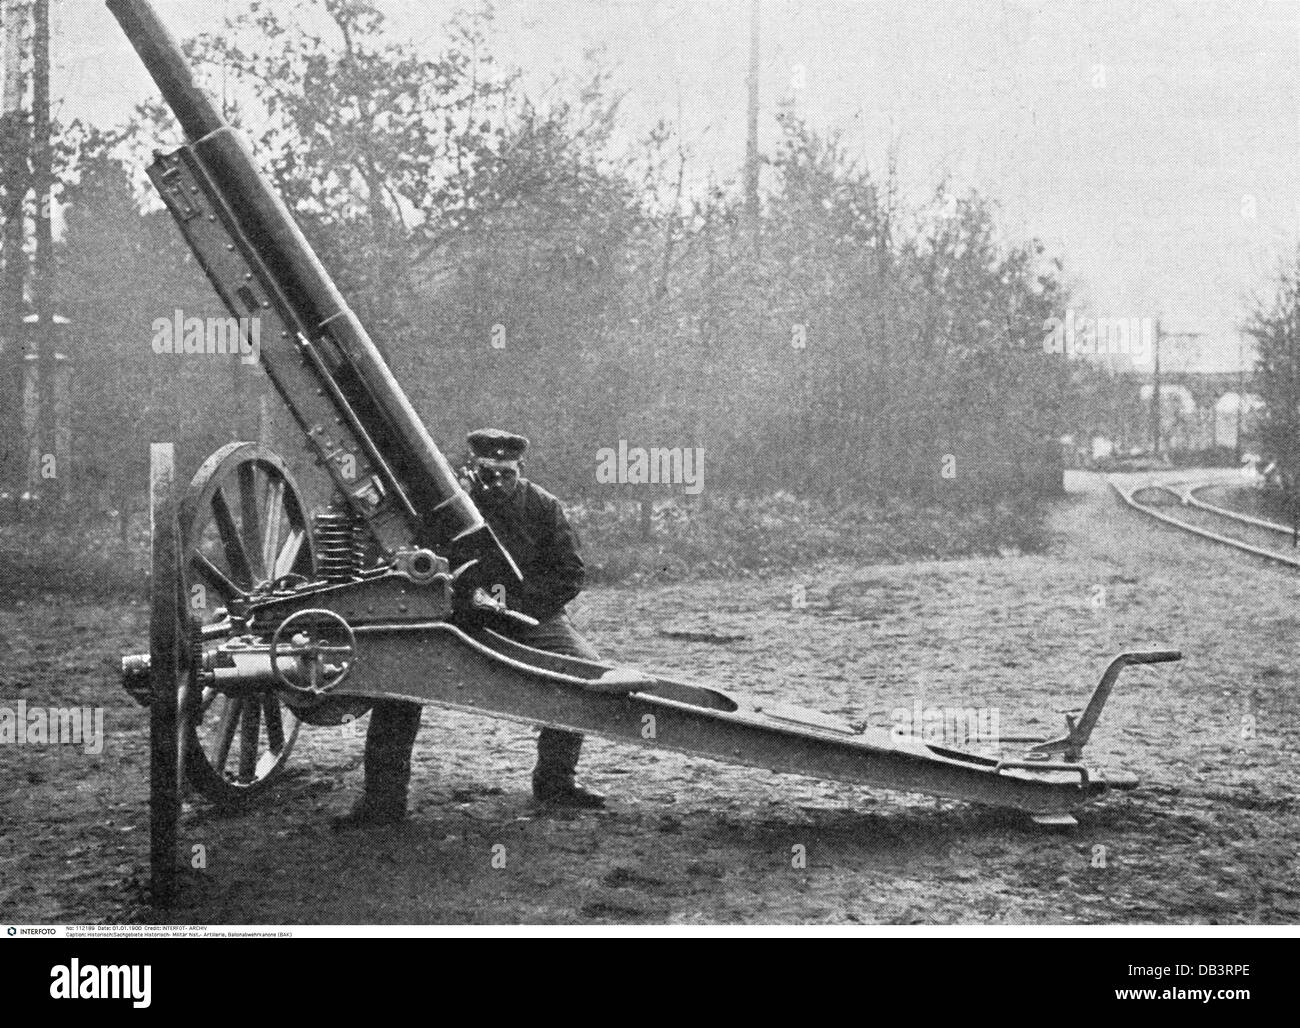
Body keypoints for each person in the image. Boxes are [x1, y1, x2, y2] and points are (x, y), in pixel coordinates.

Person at [336, 428, 605, 827]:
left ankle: (556, 781)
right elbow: (418, 562)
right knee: (400, 681)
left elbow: (569, 573)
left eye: (507, 473)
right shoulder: (448, 506)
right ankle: (383, 801)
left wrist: (514, 607)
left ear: (522, 469)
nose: (497, 482)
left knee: (583, 669)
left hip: (531, 617)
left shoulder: (543, 506)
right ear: (471, 468)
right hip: (457, 617)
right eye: (487, 472)